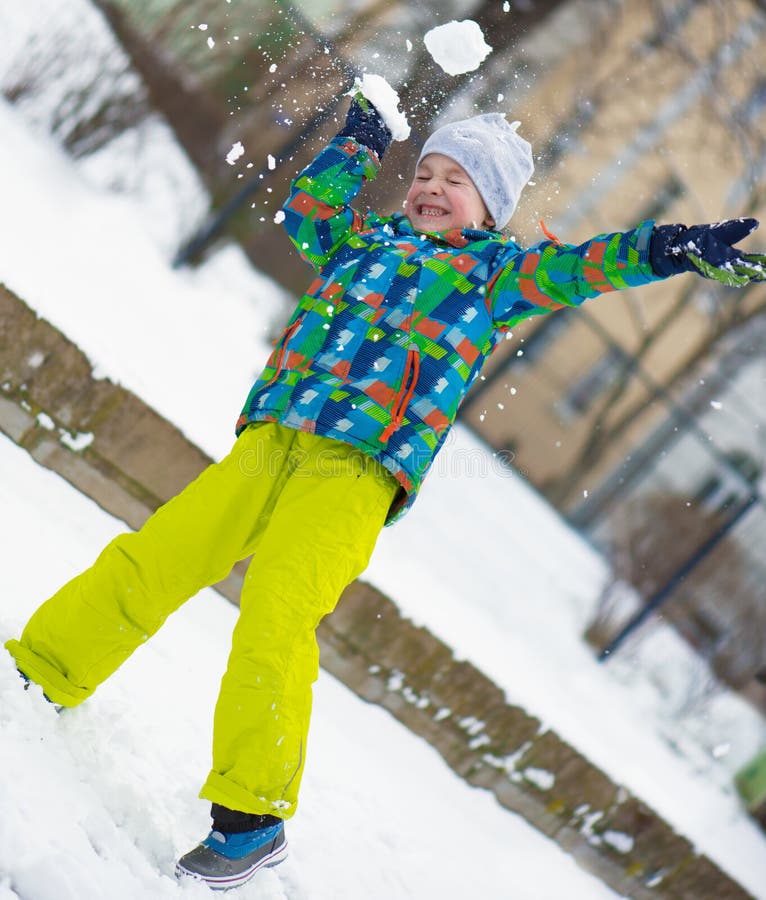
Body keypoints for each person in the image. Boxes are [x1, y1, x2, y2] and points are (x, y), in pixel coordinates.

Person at [5, 90, 764, 891]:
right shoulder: (360, 242)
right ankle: (42, 671)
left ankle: (250, 820)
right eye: (426, 171)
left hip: (358, 470)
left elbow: (584, 269)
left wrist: (672, 245)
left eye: (457, 180)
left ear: (489, 208)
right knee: (152, 558)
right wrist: (358, 144)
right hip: (275, 437)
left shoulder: (495, 275)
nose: (433, 187)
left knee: (276, 618)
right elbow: (306, 212)